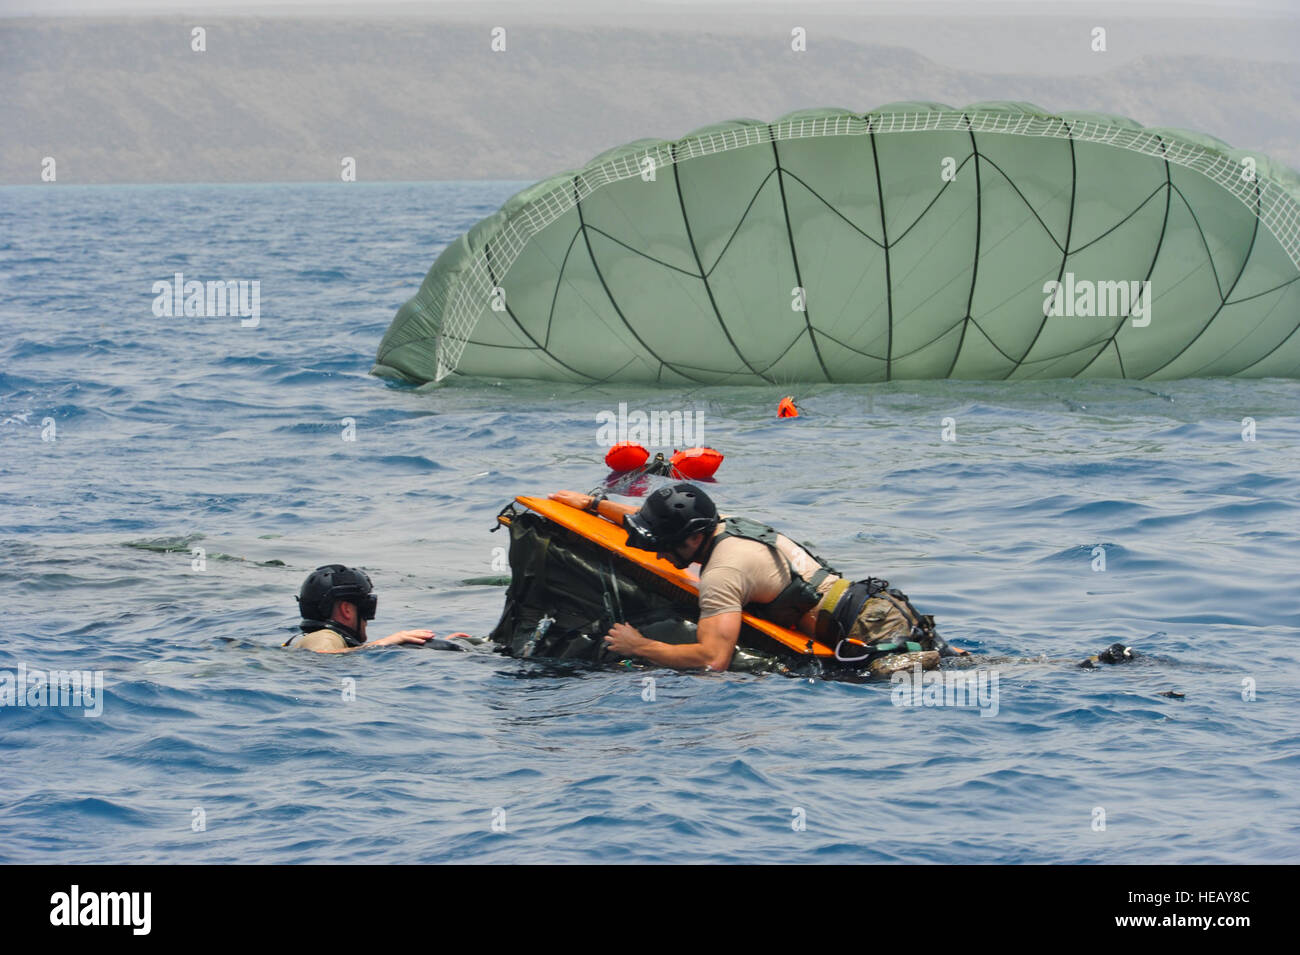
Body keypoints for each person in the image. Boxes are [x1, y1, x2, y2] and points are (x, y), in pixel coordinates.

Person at [547, 484, 949, 673]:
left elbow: (712, 659)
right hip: (879, 608)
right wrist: (595, 505)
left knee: (903, 679)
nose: (659, 553)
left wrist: (641, 645)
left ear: (694, 538)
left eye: (666, 545)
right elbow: (656, 521)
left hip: (872, 630)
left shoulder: (722, 572)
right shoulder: (724, 524)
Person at [284, 564, 436, 653]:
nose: (367, 620)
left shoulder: (305, 639)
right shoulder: (325, 637)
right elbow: (322, 656)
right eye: (367, 607)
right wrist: (385, 643)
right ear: (347, 610)